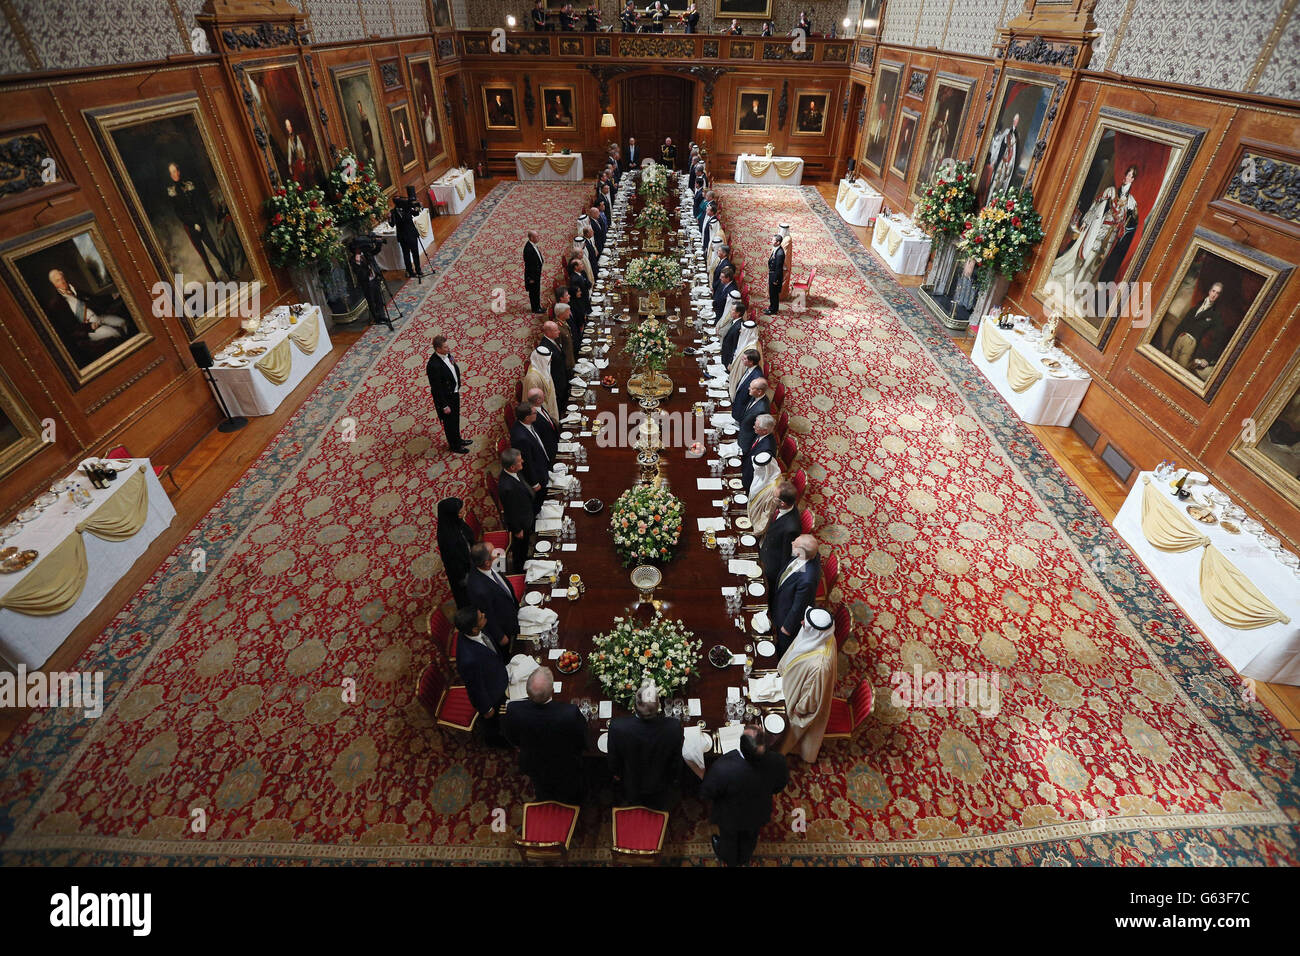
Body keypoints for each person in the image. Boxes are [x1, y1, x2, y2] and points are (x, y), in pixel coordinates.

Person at [1048, 164, 1140, 313]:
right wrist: (1086, 221)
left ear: (1133, 179)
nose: (1127, 177)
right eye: (1127, 174)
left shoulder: (1131, 202)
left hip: (1111, 237)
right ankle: (1071, 292)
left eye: (1131, 176)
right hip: (1099, 231)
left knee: (1094, 267)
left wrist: (1123, 228)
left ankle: (1079, 293)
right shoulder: (1111, 191)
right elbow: (1095, 207)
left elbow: (1131, 223)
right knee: (1086, 262)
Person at [699, 724, 788, 867]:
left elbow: (707, 792)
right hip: (758, 812)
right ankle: (745, 857)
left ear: (740, 745)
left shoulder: (723, 767)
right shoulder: (779, 761)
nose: (759, 726)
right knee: (751, 836)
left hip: (729, 815)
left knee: (729, 838)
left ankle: (730, 859)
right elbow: (780, 785)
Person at [503, 667, 587, 803]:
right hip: (565, 764)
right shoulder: (569, 713)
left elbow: (510, 735)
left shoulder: (513, 709)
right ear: (552, 691)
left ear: (527, 691)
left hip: (533, 762)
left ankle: (544, 798)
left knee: (541, 786)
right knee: (570, 790)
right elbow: (581, 736)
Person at [607, 682, 684, 810]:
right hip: (660, 781)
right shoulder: (673, 726)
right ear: (659, 705)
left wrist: (616, 773)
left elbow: (613, 758)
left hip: (631, 781)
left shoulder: (617, 726)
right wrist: (674, 778)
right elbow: (676, 760)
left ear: (635, 705)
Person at [777, 608, 836, 763]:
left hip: (795, 696)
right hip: (792, 679)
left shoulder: (819, 666)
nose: (802, 623)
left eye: (806, 624)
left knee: (783, 731)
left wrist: (797, 709)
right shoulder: (820, 635)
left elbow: (811, 698)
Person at [165, 161, 232, 282]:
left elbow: (198, 205)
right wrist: (193, 224)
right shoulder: (171, 191)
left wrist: (200, 222)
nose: (175, 174)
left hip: (201, 222)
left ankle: (230, 274)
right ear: (170, 175)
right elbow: (179, 214)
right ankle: (217, 282)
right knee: (204, 257)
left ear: (179, 171)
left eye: (175, 171)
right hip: (190, 228)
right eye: (172, 173)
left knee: (215, 251)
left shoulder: (189, 185)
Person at [455, 607, 509, 743]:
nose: (484, 615)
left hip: (497, 671)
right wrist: (487, 708)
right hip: (493, 691)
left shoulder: (477, 629)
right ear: (474, 629)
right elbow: (475, 687)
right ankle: (497, 740)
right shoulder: (468, 660)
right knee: (497, 723)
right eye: (481, 617)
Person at [771, 534, 821, 656]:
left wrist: (787, 627)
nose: (792, 542)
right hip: (782, 597)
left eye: (795, 544)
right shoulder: (807, 555)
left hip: (785, 613)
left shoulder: (807, 579)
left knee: (781, 647)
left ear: (801, 552)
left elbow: (799, 606)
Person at [466, 542, 518, 657]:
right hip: (504, 625)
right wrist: (500, 636)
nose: (498, 552)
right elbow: (487, 614)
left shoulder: (487, 564)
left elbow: (501, 575)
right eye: (494, 552)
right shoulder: (478, 590)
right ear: (487, 562)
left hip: (511, 609)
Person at [1167, 281, 1229, 377]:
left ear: (1219, 296)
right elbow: (1181, 325)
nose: (1214, 295)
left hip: (1191, 344)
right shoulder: (1197, 305)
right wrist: (1169, 346)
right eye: (1213, 291)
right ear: (1209, 291)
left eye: (1217, 293)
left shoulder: (1216, 315)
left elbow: (1219, 338)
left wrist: (1207, 359)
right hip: (1179, 338)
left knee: (1178, 373)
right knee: (1168, 367)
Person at [425, 334, 469, 453]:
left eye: (447, 346)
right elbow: (436, 389)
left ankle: (458, 440)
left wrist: (457, 384)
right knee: (450, 424)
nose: (448, 349)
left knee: (456, 419)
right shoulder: (433, 366)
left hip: (453, 392)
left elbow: (453, 367)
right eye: (445, 347)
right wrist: (444, 405)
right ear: (438, 349)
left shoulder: (447, 354)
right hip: (446, 398)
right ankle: (454, 446)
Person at [498, 449, 536, 571]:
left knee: (526, 542)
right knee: (520, 548)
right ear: (513, 467)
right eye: (520, 461)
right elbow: (510, 511)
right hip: (520, 523)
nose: (523, 462)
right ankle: (519, 569)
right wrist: (517, 529)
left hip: (527, 514)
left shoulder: (514, 471)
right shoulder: (507, 488)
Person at [510, 403, 553, 511]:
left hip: (543, 463)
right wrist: (535, 483)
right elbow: (527, 463)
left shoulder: (526, 423)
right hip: (538, 475)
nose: (537, 414)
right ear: (527, 417)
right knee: (543, 500)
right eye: (534, 413)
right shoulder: (521, 439)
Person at [758, 481, 800, 587]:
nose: (773, 499)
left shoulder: (791, 529)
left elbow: (786, 557)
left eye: (775, 497)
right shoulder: (784, 507)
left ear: (782, 503)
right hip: (766, 545)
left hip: (770, 565)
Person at [437, 497, 475, 608]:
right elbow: (460, 569)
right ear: (454, 514)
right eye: (461, 510)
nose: (465, 511)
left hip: (474, 561)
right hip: (466, 577)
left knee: (499, 556)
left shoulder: (457, 523)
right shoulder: (449, 540)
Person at [389, 186, 426, 279]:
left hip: (412, 234)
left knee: (415, 253)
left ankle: (418, 270)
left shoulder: (407, 208)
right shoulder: (393, 212)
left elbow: (416, 213)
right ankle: (410, 271)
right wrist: (389, 218)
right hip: (402, 237)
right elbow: (392, 225)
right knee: (406, 255)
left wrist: (418, 206)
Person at [984, 113, 1020, 203]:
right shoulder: (1007, 132)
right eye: (1015, 120)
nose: (1016, 122)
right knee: (994, 183)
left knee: (1001, 187)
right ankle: (987, 202)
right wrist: (994, 160)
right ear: (1013, 121)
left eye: (1017, 121)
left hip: (1007, 165)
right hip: (1000, 163)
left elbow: (1013, 153)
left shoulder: (1016, 136)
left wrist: (1009, 163)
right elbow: (1000, 146)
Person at [351, 248, 390, 328]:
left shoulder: (367, 253)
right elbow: (358, 272)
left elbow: (375, 252)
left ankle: (382, 315)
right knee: (371, 301)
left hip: (374, 279)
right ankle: (377, 318)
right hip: (366, 283)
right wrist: (358, 261)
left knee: (379, 299)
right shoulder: (353, 260)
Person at [747, 453, 784, 535]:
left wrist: (756, 532)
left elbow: (768, 513)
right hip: (753, 510)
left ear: (766, 469)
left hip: (758, 520)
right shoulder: (767, 474)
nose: (757, 471)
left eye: (760, 469)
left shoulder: (774, 489)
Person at [522, 345, 559, 421]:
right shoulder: (532, 379)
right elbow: (534, 404)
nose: (551, 360)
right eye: (548, 359)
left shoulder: (542, 366)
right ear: (541, 360)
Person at [539, 320, 570, 408]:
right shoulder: (544, 348)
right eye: (556, 330)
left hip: (563, 378)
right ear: (548, 332)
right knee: (561, 406)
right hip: (557, 384)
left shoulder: (552, 340)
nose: (559, 331)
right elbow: (546, 371)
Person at [527, 386, 560, 462]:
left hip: (555, 441)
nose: (545, 396)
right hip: (550, 451)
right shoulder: (534, 417)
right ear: (538, 400)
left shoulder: (539, 407)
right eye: (543, 396)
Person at [743, 416, 776, 490]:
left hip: (751, 478)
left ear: (765, 431)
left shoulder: (766, 449)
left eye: (756, 427)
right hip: (746, 466)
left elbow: (759, 472)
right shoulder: (762, 434)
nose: (753, 427)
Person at [725, 322, 759, 388]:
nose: (740, 331)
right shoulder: (746, 341)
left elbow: (743, 368)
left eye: (743, 330)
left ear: (748, 332)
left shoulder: (751, 350)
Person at [523, 229, 544, 313]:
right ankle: (535, 308)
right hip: (532, 276)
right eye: (536, 237)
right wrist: (531, 278)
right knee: (533, 292)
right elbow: (529, 266)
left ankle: (538, 306)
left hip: (536, 273)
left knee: (537, 291)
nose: (538, 238)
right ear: (531, 238)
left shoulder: (533, 245)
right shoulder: (528, 249)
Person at [766, 232, 785, 315]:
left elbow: (778, 268)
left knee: (774, 294)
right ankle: (771, 307)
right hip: (772, 274)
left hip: (775, 276)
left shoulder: (780, 253)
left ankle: (774, 310)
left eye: (773, 240)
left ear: (778, 242)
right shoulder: (776, 249)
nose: (771, 241)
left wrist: (775, 279)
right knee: (771, 292)